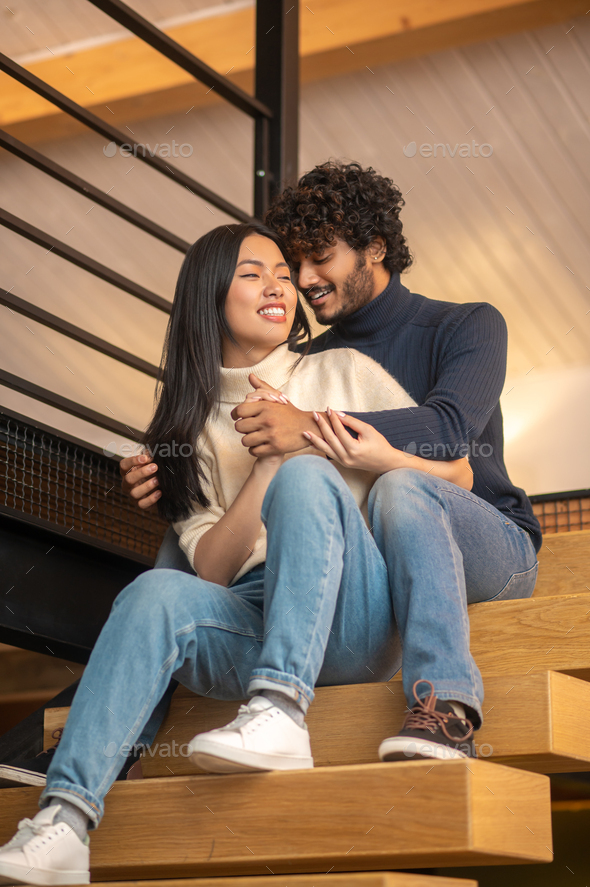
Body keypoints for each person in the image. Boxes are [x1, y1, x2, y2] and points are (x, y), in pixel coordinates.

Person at [0, 223, 471, 886]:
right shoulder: (184, 432)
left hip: (354, 614)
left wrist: (305, 443)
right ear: (210, 294)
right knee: (149, 593)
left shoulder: (340, 371)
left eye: (283, 272)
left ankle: (278, 709)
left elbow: (458, 472)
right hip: (253, 612)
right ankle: (65, 823)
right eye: (254, 272)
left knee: (308, 475)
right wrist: (265, 466)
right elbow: (214, 569)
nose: (279, 284)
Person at [126, 161, 541, 763]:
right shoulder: (310, 360)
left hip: (488, 539)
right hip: (370, 565)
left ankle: (446, 710)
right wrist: (169, 475)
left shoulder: (466, 325)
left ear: (375, 247)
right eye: (295, 264)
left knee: (402, 487)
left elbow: (449, 431)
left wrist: (308, 427)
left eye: (319, 257)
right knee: (178, 537)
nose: (304, 278)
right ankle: (136, 710)